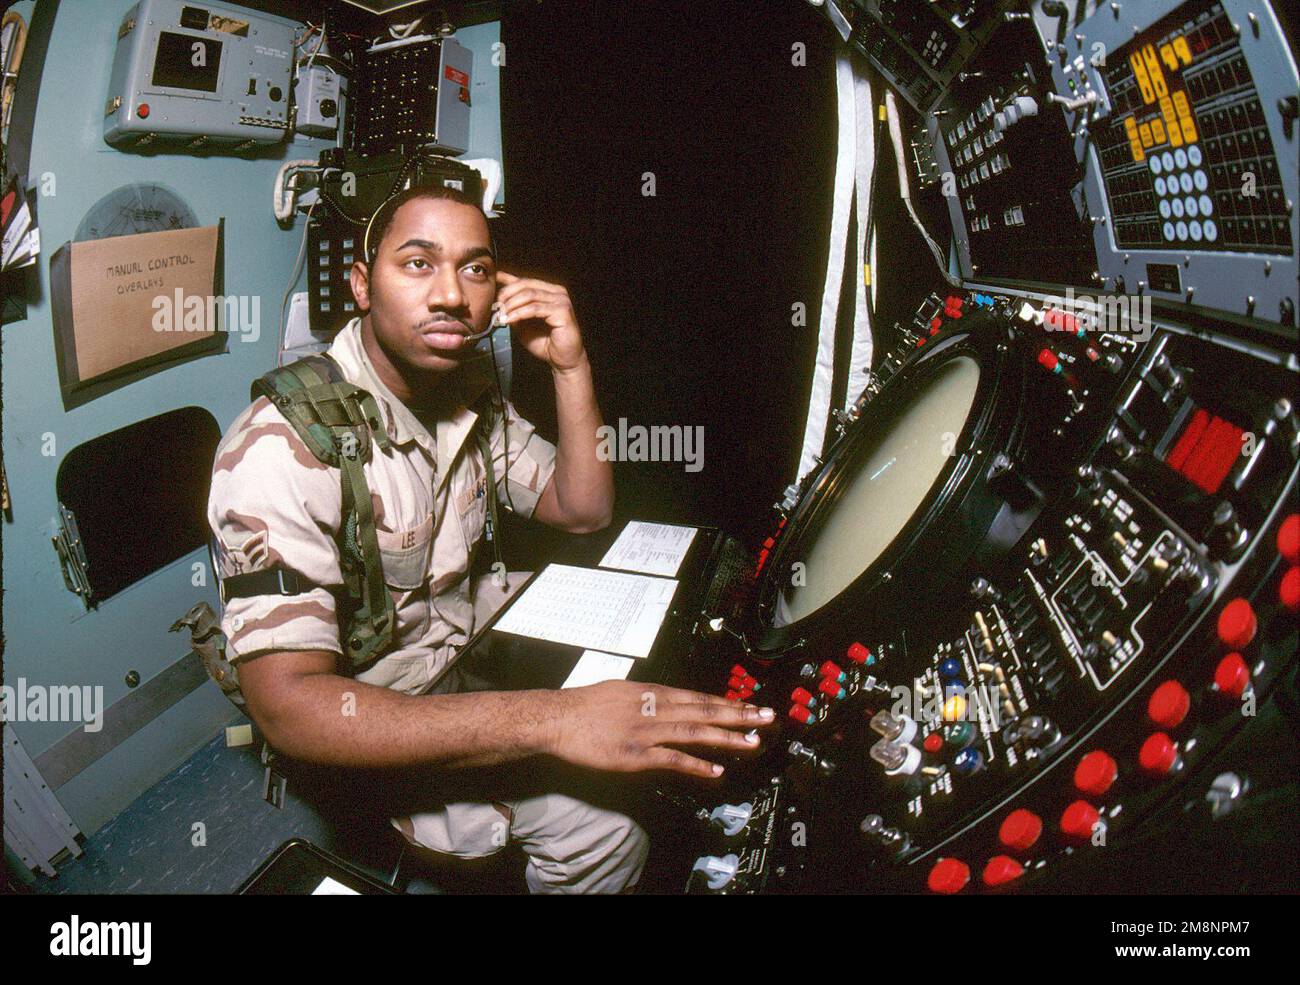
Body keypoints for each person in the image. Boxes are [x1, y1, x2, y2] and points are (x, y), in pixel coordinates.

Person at [207, 183, 774, 893]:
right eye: (418, 263)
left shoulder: (464, 389)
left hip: (470, 638)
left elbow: (582, 509)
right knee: (607, 832)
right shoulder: (280, 448)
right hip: (380, 706)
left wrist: (569, 367)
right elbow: (289, 710)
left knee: (677, 639)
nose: (452, 294)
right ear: (361, 284)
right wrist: (556, 721)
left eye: (475, 268)